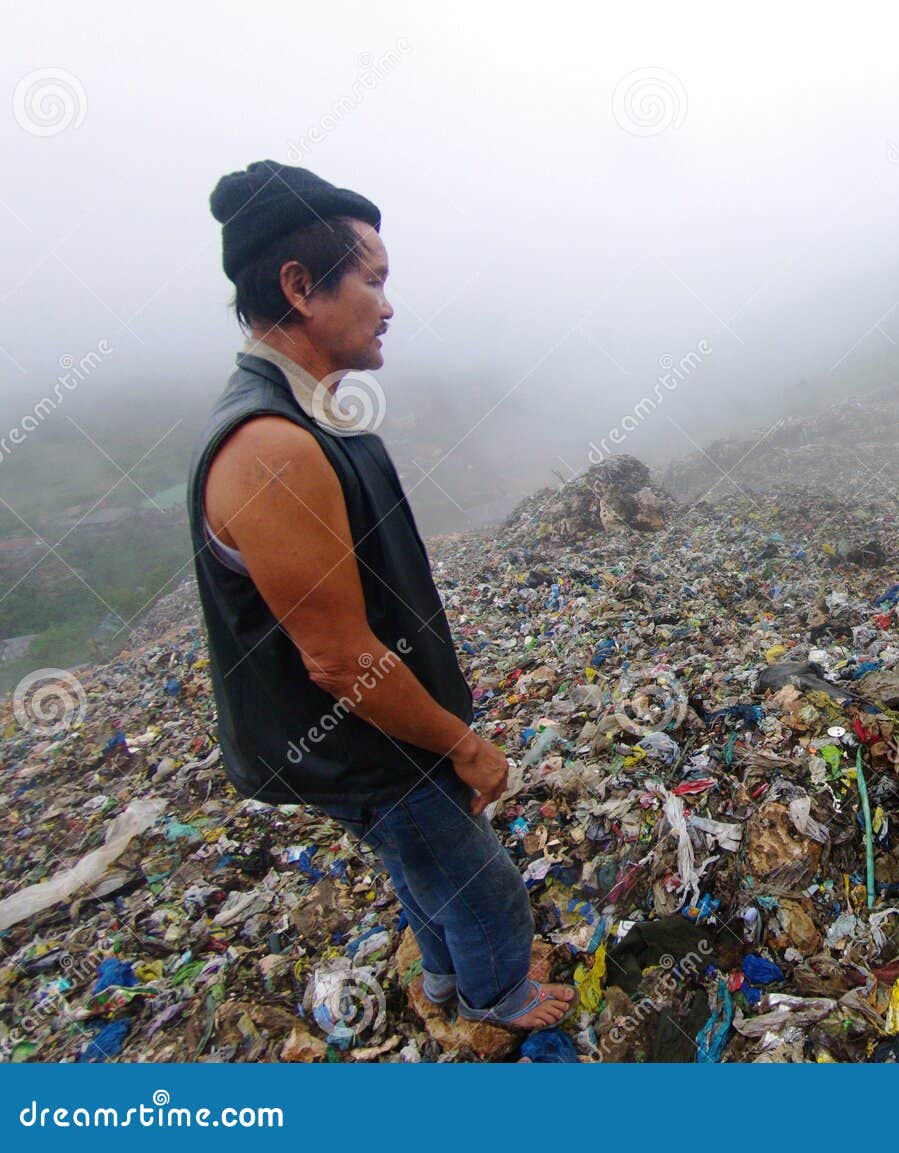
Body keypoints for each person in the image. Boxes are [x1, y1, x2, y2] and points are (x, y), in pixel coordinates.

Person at [187, 160, 574, 1032]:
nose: (390, 304)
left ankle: (441, 981)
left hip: (374, 730)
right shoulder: (267, 446)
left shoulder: (311, 414)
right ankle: (495, 1003)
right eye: (374, 279)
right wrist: (463, 745)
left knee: (424, 862)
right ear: (299, 285)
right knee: (483, 882)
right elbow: (337, 658)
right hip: (354, 740)